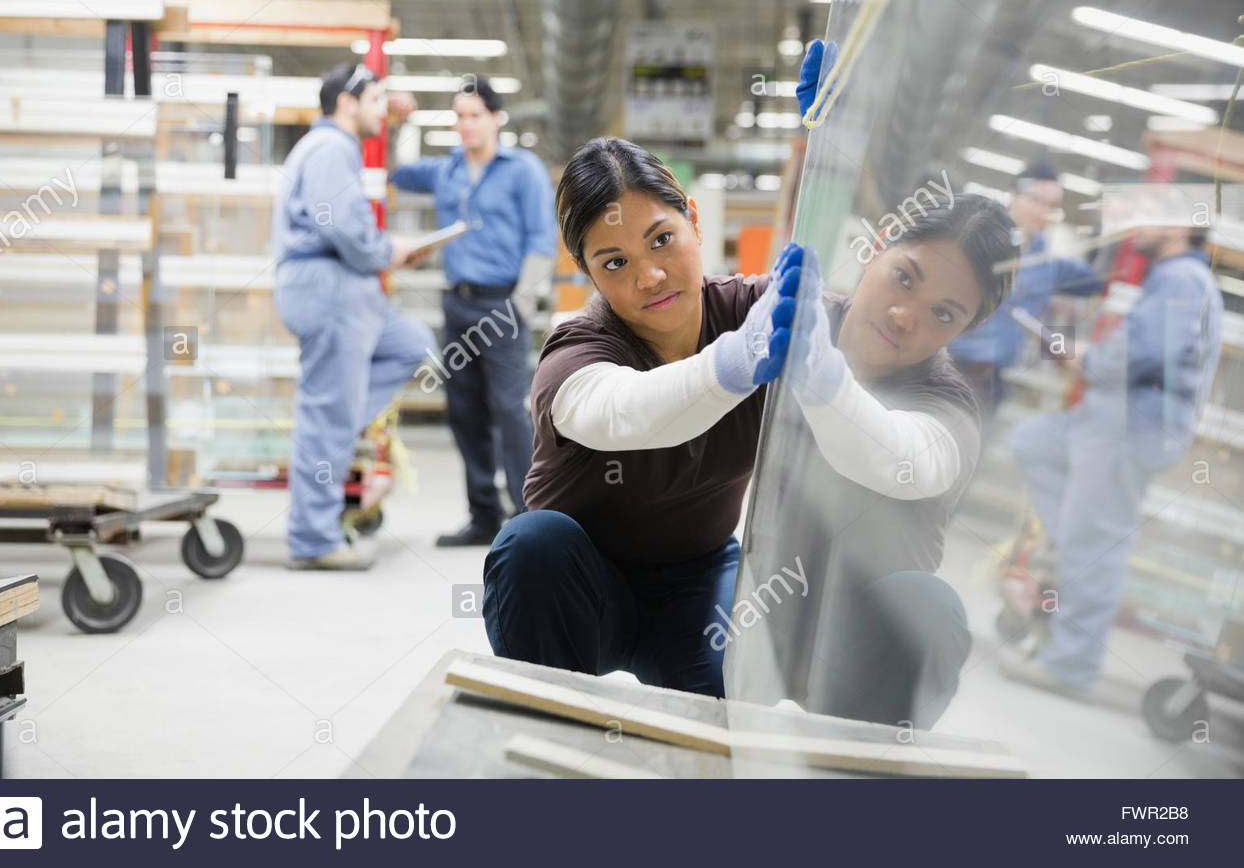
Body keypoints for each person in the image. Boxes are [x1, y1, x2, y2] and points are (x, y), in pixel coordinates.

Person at [482, 131, 1018, 725]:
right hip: (578, 587)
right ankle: (545, 746)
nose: (651, 275)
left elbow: (899, 447)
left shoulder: (771, 317)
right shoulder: (582, 347)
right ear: (585, 270)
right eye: (615, 262)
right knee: (533, 544)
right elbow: (619, 410)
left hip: (701, 583)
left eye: (663, 239)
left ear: (693, 221)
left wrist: (826, 126)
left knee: (730, 700)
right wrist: (732, 365)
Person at [1000, 214, 1223, 697]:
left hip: (1128, 430)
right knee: (1032, 443)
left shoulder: (1183, 278)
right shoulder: (1170, 278)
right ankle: (1072, 542)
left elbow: (1143, 354)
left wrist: (1085, 359)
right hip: (1106, 421)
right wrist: (1078, 351)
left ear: (1180, 225)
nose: (1136, 222)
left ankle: (1070, 666)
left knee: (1096, 543)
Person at [272, 63, 432, 570]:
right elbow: (344, 227)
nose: (382, 110)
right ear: (347, 101)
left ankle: (337, 426)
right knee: (326, 414)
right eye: (377, 100)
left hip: (348, 290)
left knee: (412, 343)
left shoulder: (338, 150)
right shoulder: (329, 149)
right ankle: (313, 540)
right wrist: (391, 249)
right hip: (330, 287)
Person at [387, 77, 558, 547]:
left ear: (496, 118)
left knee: (508, 409)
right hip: (457, 302)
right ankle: (483, 516)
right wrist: (397, 121)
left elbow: (542, 240)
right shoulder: (446, 171)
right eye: (459, 117)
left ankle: (527, 518)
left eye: (474, 115)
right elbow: (392, 171)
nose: (465, 125)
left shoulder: (523, 170)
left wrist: (521, 305)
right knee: (464, 411)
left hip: (502, 302)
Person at [947, 160, 1103, 419]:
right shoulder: (974, 241)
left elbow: (1101, 280)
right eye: (1036, 200)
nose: (1043, 212)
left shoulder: (1049, 266)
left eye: (1053, 206)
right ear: (1013, 195)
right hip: (944, 363)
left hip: (989, 383)